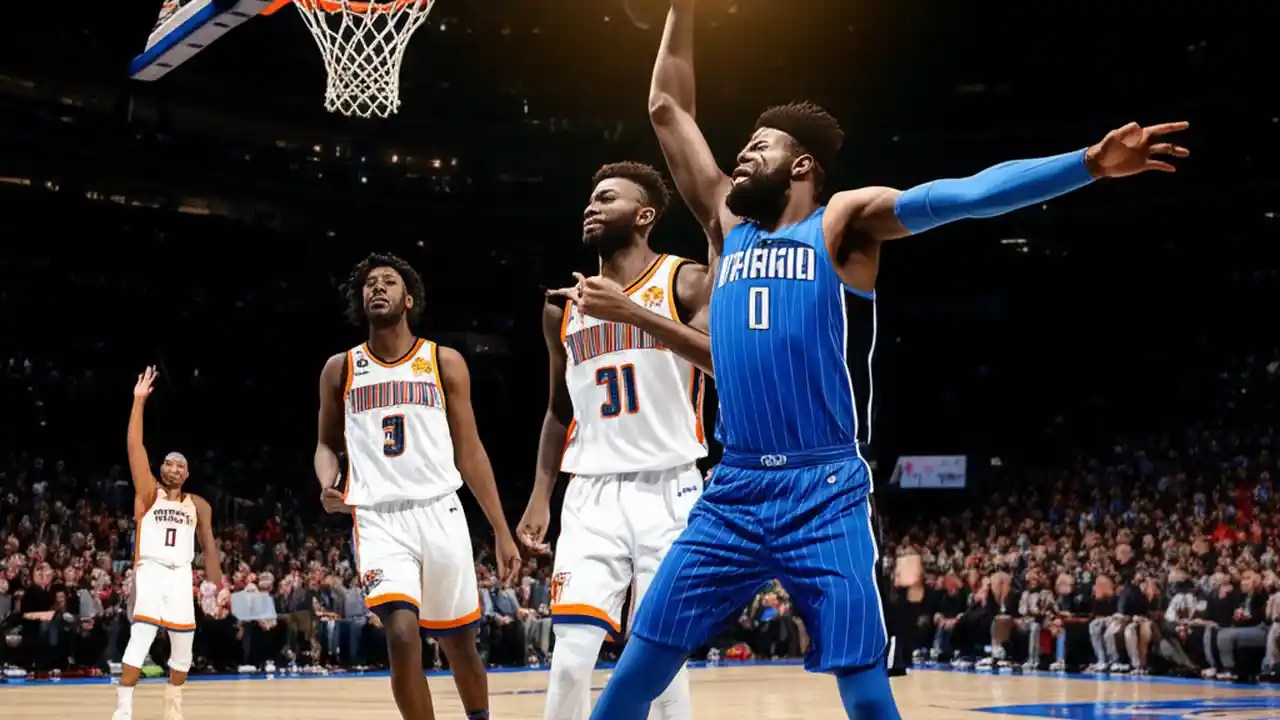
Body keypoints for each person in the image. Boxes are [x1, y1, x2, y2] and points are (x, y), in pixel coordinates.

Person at [590, 2, 1191, 717]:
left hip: (825, 488)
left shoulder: (842, 221)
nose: (743, 153)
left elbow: (963, 197)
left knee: (868, 694)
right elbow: (666, 105)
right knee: (638, 671)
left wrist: (1087, 164)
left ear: (802, 165)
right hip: (733, 489)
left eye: (761, 145)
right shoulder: (725, 220)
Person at [518, 161, 711, 720]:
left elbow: (721, 363)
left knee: (661, 662)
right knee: (571, 658)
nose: (591, 206)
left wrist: (631, 312)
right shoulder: (562, 302)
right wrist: (540, 494)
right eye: (590, 198)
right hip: (591, 493)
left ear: (644, 214)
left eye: (607, 198)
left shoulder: (688, 279)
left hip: (670, 489)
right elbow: (558, 409)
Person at [316, 253, 521, 720]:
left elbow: (470, 452)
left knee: (459, 643)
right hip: (377, 517)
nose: (378, 288)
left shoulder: (442, 361)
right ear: (360, 298)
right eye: (369, 283)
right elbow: (325, 445)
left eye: (389, 282)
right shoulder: (340, 368)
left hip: (440, 509)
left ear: (408, 299)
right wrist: (327, 481)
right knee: (403, 633)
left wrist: (501, 530)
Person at [114, 366, 222, 720]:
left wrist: (217, 584)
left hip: (180, 576)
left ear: (187, 474)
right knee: (141, 637)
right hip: (151, 571)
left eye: (180, 466)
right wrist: (138, 401)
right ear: (161, 468)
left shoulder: (198, 504)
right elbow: (134, 446)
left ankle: (173, 713)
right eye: (168, 463)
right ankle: (123, 712)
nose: (174, 468)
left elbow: (208, 545)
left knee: (184, 652)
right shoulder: (147, 494)